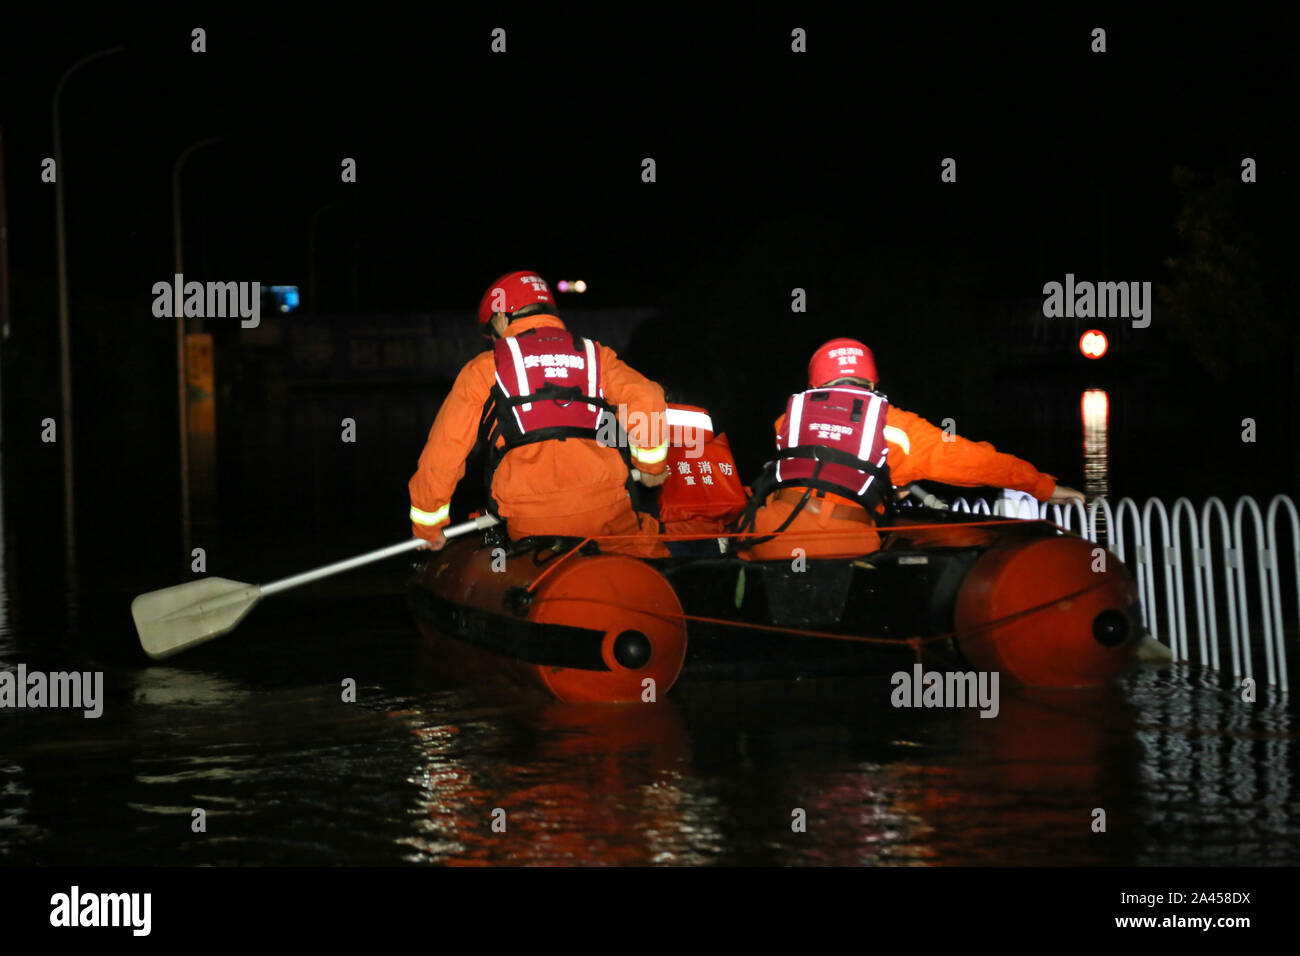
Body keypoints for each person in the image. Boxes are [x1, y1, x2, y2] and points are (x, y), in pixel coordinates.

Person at [736, 337, 1085, 560]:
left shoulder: (787, 420)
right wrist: (1043, 486)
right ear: (872, 381)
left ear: (813, 384)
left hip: (770, 540)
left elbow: (819, 470)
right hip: (848, 544)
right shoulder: (897, 427)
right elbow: (974, 463)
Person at [408, 271, 669, 557]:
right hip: (607, 511)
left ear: (502, 318)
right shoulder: (596, 355)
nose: (494, 340)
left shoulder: (484, 368)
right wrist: (650, 467)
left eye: (492, 332)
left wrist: (428, 526)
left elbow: (444, 453)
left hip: (532, 523)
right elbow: (648, 397)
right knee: (652, 554)